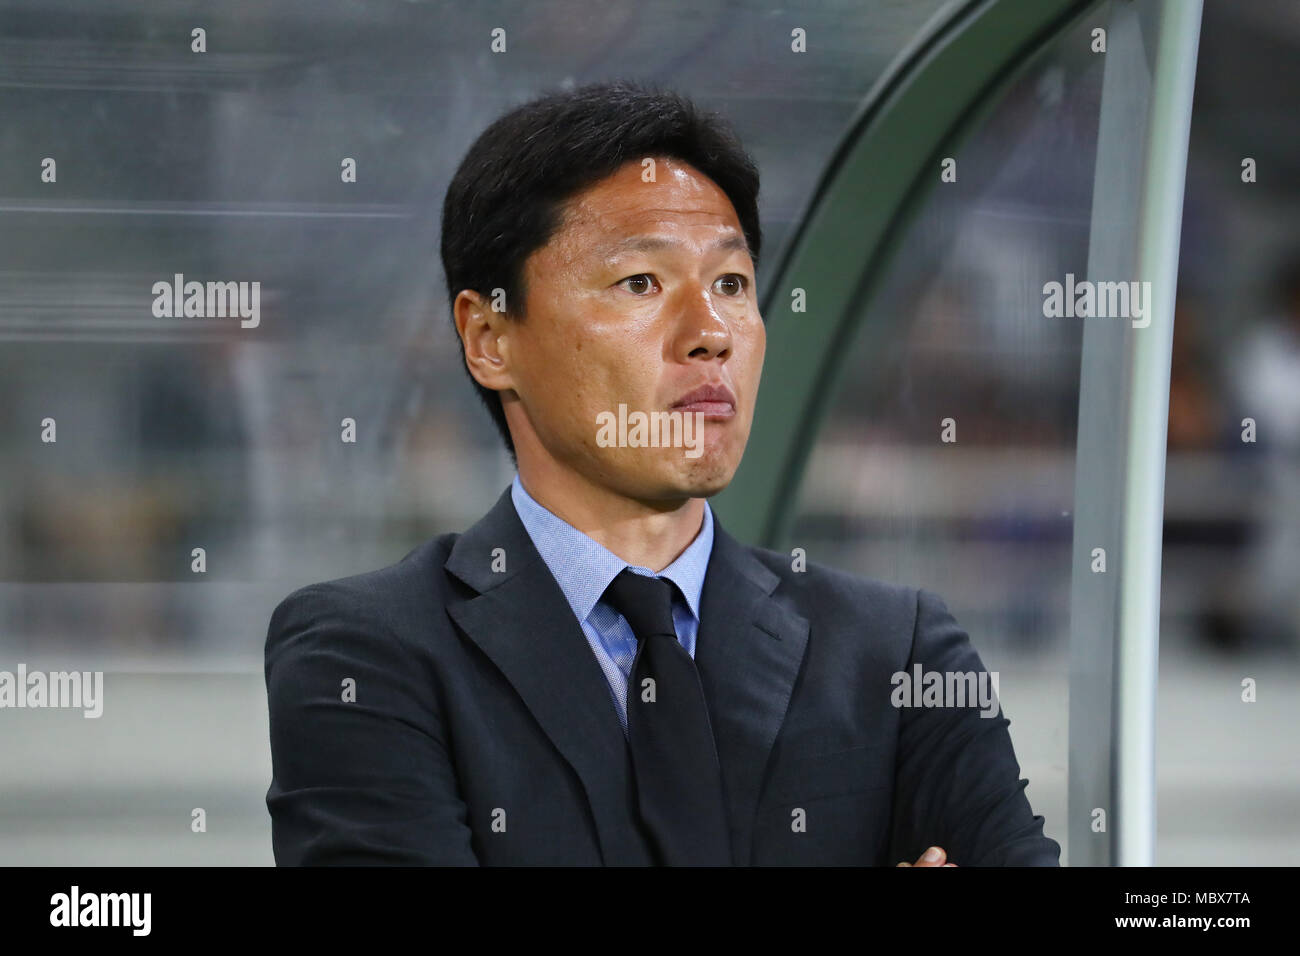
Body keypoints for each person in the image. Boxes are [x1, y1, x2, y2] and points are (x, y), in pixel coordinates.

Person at [263, 80, 1059, 867]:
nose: (711, 332)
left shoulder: (896, 654)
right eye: (641, 282)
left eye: (732, 284)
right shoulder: (367, 652)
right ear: (490, 338)